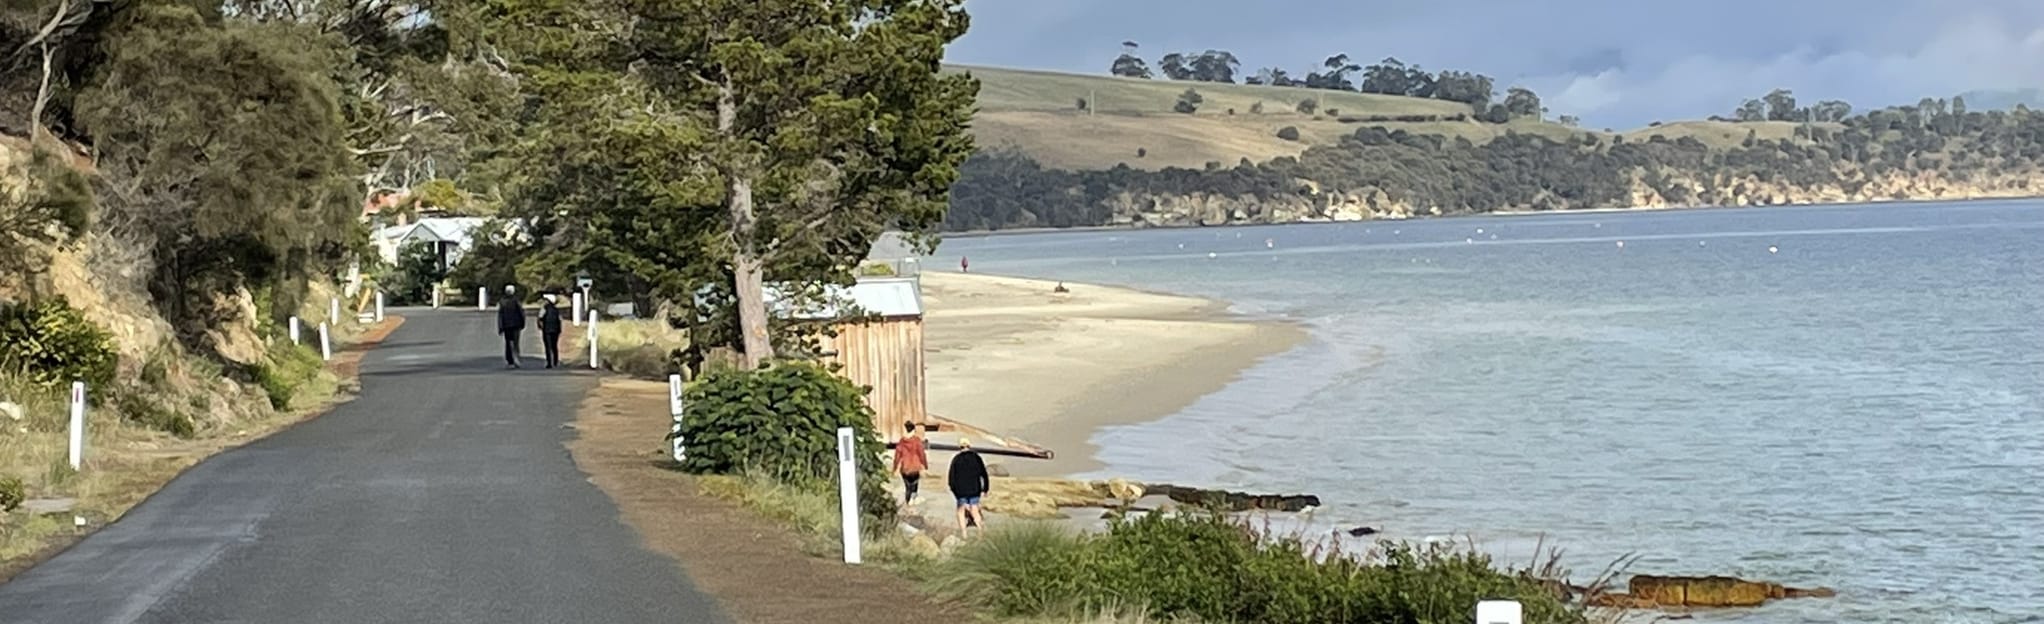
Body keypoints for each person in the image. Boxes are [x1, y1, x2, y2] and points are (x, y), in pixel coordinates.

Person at [948, 437, 989, 537]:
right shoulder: (976, 458)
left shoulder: (956, 459)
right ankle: (980, 532)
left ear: (960, 447)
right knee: (975, 510)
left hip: (961, 491)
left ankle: (964, 534)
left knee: (961, 511)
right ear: (969, 446)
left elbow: (951, 478)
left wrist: (955, 492)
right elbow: (984, 474)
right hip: (975, 489)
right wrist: (985, 488)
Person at [892, 422, 929, 505]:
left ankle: (908, 501)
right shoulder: (916, 441)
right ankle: (912, 499)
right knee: (914, 485)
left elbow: (897, 455)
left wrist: (895, 468)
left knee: (907, 486)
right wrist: (925, 465)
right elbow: (922, 454)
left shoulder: (901, 441)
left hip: (905, 467)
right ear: (914, 430)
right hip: (915, 467)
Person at [496, 285, 525, 369]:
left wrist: (500, 327)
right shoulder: (516, 301)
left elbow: (500, 315)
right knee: (516, 343)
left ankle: (510, 361)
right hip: (516, 325)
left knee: (508, 343)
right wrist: (523, 323)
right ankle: (516, 358)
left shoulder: (502, 301)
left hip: (506, 325)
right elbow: (521, 312)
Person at [538, 293, 564, 369]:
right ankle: (555, 362)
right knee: (554, 346)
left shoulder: (544, 308)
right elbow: (560, 320)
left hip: (547, 330)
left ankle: (549, 362)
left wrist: (540, 326)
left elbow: (540, 318)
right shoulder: (556, 310)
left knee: (548, 346)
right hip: (555, 330)